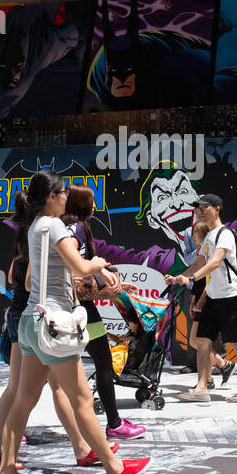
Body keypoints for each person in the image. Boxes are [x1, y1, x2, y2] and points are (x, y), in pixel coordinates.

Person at [0, 172, 151, 474]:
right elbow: (81, 268)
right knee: (80, 398)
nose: (66, 197)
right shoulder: (54, 227)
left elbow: (26, 283)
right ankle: (114, 467)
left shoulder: (34, 227)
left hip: (29, 321)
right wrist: (98, 263)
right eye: (62, 192)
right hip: (55, 323)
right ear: (51, 197)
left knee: (23, 400)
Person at [0, 196, 95, 472]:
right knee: (38, 394)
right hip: (37, 318)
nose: (64, 199)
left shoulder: (29, 231)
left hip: (24, 315)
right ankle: (0, 458)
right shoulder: (44, 230)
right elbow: (30, 281)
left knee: (27, 391)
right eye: (59, 194)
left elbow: (13, 277)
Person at [65, 184, 146, 439]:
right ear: (83, 204)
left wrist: (113, 284)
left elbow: (81, 272)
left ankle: (113, 422)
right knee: (102, 360)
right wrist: (101, 275)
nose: (94, 205)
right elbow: (78, 271)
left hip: (81, 309)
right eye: (91, 201)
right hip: (80, 310)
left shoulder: (70, 227)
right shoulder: (76, 229)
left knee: (47, 376)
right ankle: (114, 424)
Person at [169, 194, 237, 404]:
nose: (199, 211)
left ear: (217, 208)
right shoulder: (209, 236)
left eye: (204, 207)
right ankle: (201, 388)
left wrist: (191, 278)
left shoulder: (225, 234)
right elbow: (200, 262)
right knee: (201, 341)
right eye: (198, 208)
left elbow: (216, 262)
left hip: (229, 296)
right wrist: (179, 277)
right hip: (212, 297)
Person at [179, 220, 234, 402]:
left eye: (194, 233)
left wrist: (201, 298)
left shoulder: (210, 250)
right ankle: (210, 376)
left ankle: (221, 365)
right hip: (200, 297)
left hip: (208, 299)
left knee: (197, 340)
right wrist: (194, 296)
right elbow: (196, 277)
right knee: (199, 341)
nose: (191, 236)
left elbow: (209, 278)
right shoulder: (201, 252)